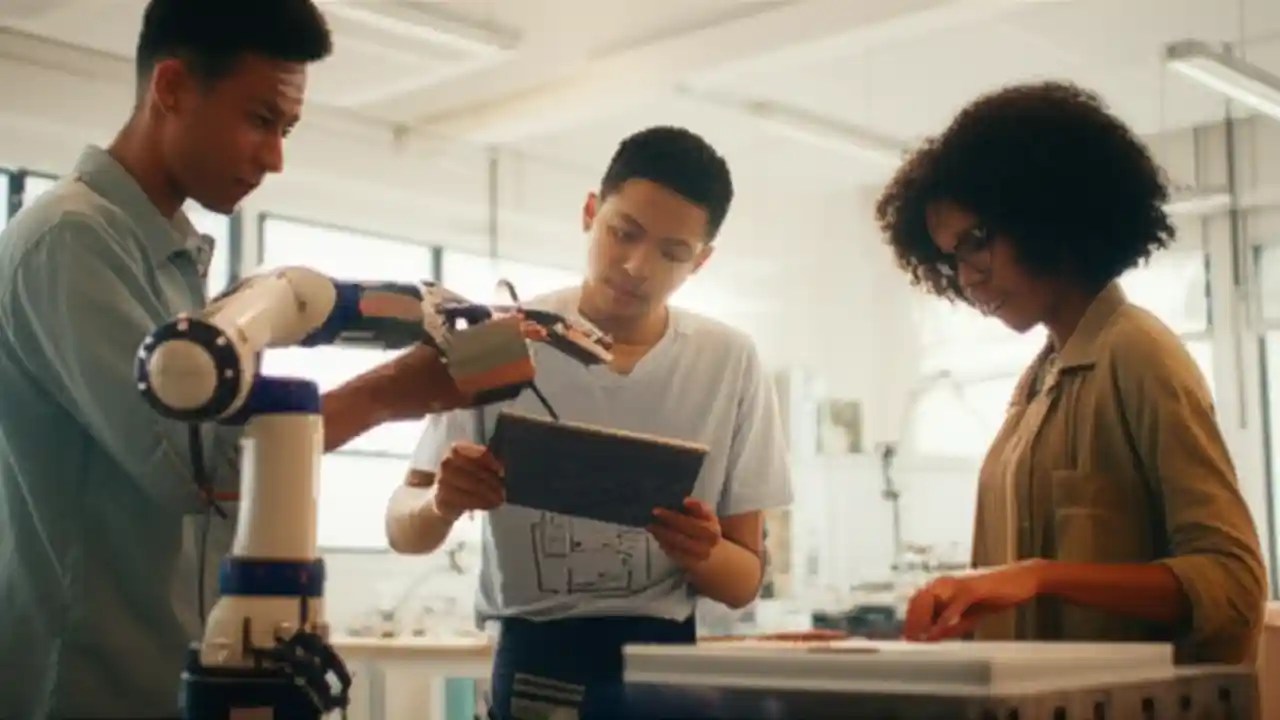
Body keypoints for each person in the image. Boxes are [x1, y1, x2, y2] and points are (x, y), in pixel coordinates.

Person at [0, 1, 481, 718]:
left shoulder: (170, 259)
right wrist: (387, 394)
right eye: (260, 120)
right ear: (170, 88)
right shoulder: (71, 239)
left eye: (285, 130)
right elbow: (208, 469)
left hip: (168, 675)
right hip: (85, 684)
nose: (275, 158)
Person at [385, 126, 793, 718]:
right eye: (622, 233)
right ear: (589, 212)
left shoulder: (728, 361)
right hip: (534, 659)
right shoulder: (502, 338)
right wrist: (442, 504)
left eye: (672, 253)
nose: (636, 266)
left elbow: (742, 580)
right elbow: (404, 528)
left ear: (701, 261)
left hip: (663, 666)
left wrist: (701, 552)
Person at [878, 81, 1266, 664]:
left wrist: (1040, 576)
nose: (967, 276)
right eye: (951, 256)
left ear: (1045, 215)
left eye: (977, 240)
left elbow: (1233, 586)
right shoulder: (1037, 383)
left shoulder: (1137, 353)